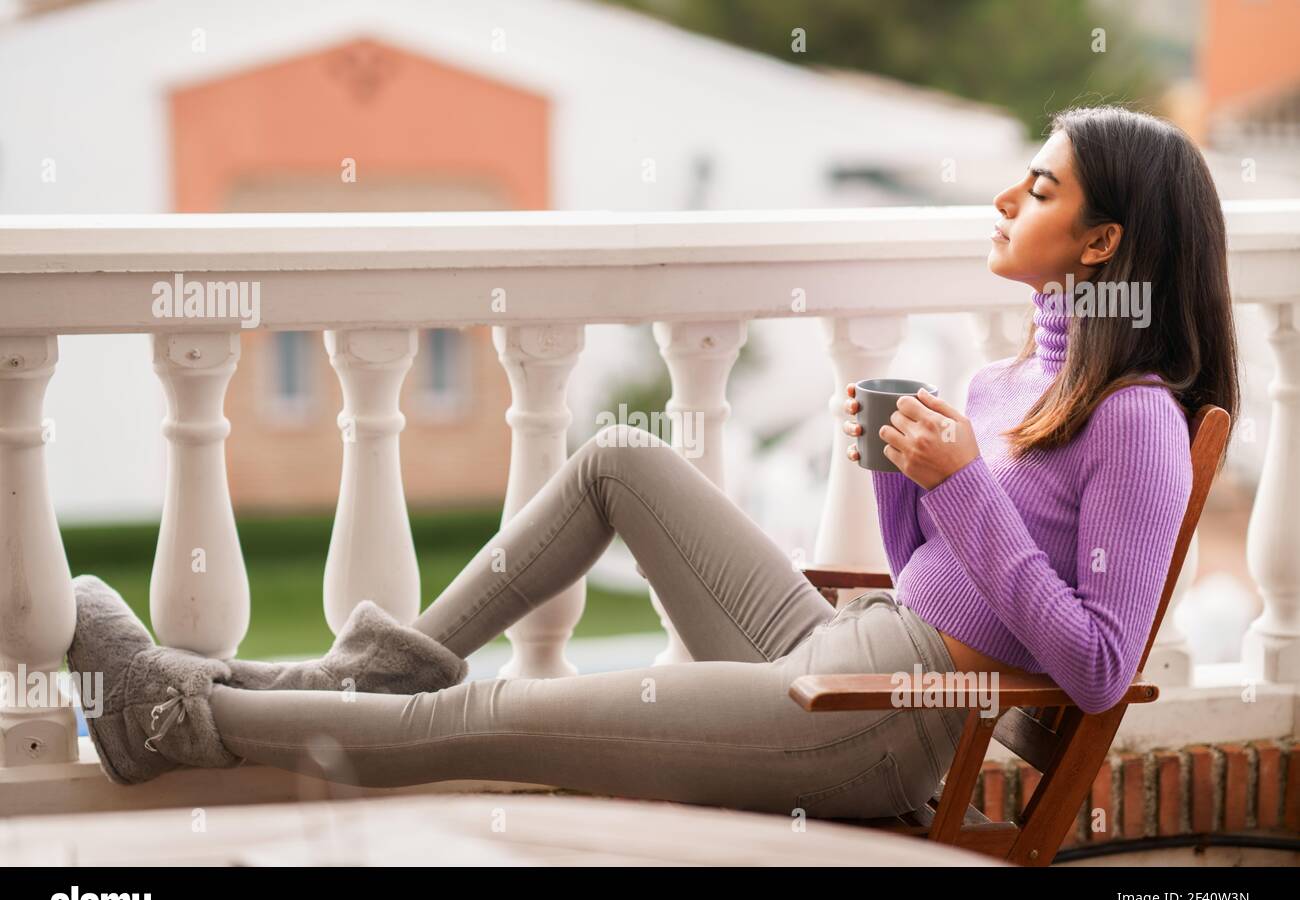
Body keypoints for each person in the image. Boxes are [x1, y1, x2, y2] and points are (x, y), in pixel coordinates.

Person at [68, 104, 1238, 822]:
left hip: (885, 717)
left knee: (489, 714)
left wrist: (958, 483)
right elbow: (922, 564)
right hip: (847, 644)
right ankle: (367, 672)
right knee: (619, 457)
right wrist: (898, 476)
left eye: (1037, 187)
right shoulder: (999, 382)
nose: (1002, 196)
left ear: (1102, 242)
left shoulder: (1135, 417)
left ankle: (183, 713)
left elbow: (1092, 668)